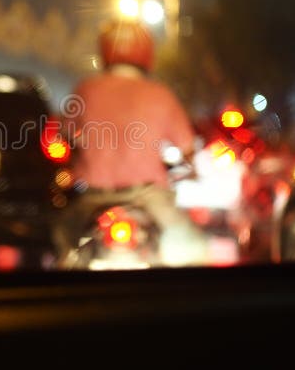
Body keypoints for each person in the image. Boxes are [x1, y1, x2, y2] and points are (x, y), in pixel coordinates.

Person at [54, 18, 209, 267]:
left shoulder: (86, 89)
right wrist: (192, 170)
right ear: (147, 52)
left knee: (63, 244)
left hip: (93, 199)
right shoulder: (160, 94)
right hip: (149, 197)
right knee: (194, 254)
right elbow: (188, 148)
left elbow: (63, 137)